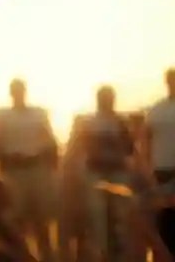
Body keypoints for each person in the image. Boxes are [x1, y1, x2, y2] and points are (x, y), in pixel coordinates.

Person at [0, 79, 59, 262]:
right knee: (14, 223)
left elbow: (50, 142)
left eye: (21, 90)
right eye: (15, 90)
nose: (18, 93)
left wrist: (52, 170)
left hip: (37, 169)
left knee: (42, 223)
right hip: (13, 172)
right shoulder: (1, 115)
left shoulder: (38, 114)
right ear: (11, 93)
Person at [74, 85, 135, 262]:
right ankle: (102, 255)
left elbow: (129, 147)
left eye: (109, 98)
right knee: (97, 216)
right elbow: (84, 147)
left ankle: (121, 255)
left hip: (117, 172)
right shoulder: (89, 122)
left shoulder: (121, 121)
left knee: (122, 216)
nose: (107, 101)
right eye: (104, 98)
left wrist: (113, 143)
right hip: (95, 173)